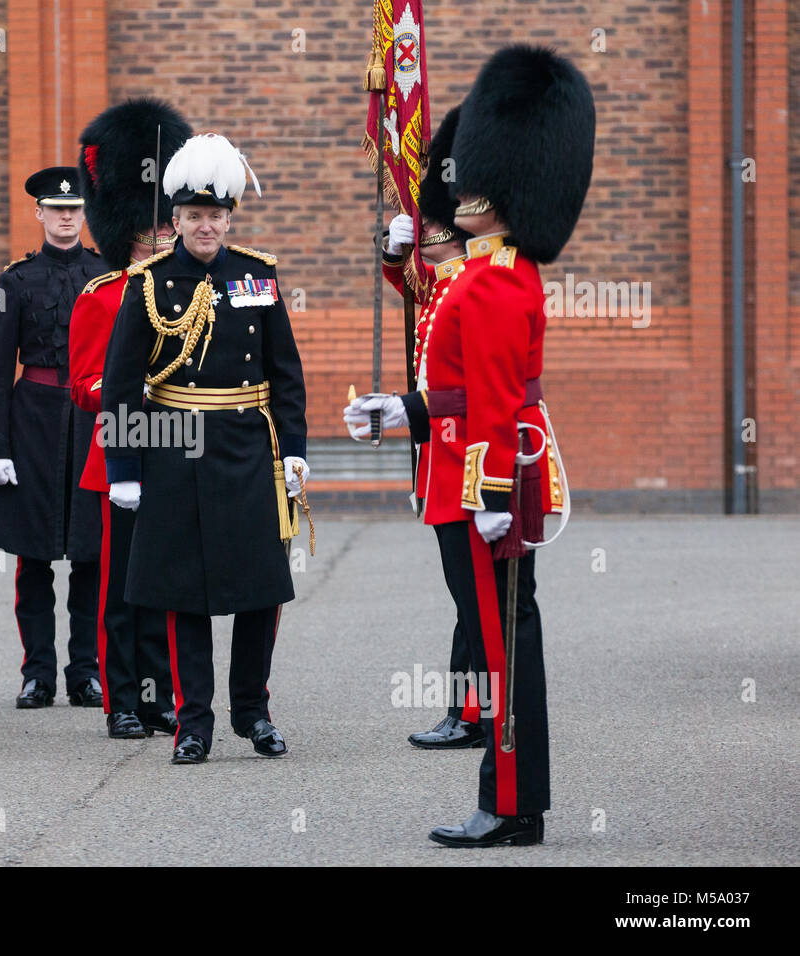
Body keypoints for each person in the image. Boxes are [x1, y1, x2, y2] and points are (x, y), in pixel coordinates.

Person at [348, 45, 591, 845]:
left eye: (470, 186)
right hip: (474, 470)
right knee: (505, 637)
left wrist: (487, 495)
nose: (457, 196)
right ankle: (516, 798)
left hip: (480, 484)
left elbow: (490, 399)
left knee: (503, 645)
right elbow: (461, 390)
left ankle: (511, 805)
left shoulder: (488, 281)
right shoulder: (494, 272)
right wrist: (403, 412)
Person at [100, 132, 309, 765]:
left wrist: (294, 451)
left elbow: (286, 371)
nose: (206, 227)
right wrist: (124, 466)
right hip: (175, 447)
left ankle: (253, 710)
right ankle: (194, 722)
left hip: (249, 446)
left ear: (228, 218)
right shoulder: (147, 282)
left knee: (259, 589)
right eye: (194, 217)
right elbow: (120, 380)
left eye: (216, 216)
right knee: (183, 593)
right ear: (176, 221)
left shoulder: (258, 275)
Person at [68, 98, 192, 739]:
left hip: (177, 447)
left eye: (167, 234)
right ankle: (122, 699)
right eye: (154, 236)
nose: (163, 243)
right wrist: (131, 390)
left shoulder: (191, 289)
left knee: (164, 585)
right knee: (118, 588)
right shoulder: (103, 295)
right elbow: (84, 384)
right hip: (119, 448)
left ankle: (161, 694)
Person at [376, 106, 485, 750]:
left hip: (467, 458)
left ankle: (474, 712)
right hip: (440, 457)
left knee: (474, 600)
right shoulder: (448, 282)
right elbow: (417, 285)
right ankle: (469, 708)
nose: (429, 241)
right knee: (465, 598)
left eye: (435, 231)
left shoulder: (470, 283)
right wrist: (396, 250)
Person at [0, 167, 108, 709]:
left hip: (91, 420)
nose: (65, 216)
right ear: (38, 213)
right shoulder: (14, 281)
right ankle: (38, 673)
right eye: (55, 209)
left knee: (91, 553)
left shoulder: (106, 275)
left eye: (74, 209)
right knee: (32, 558)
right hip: (30, 418)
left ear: (83, 213)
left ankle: (86, 671)